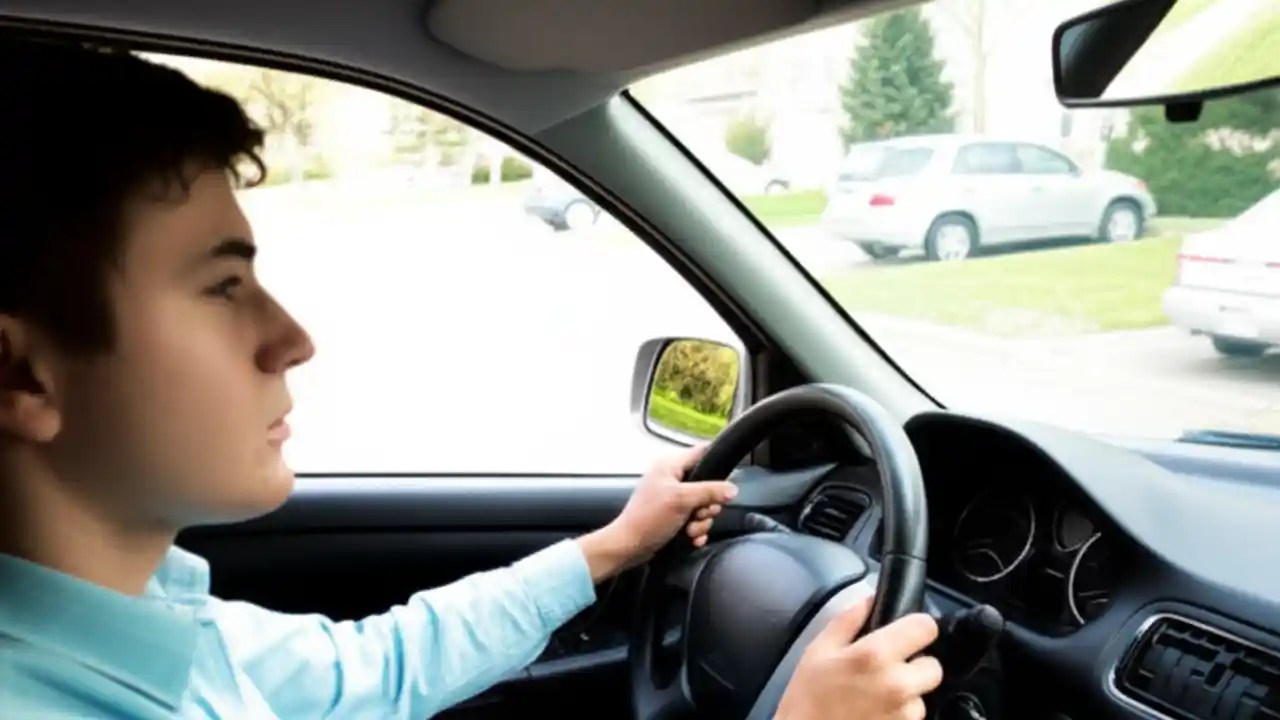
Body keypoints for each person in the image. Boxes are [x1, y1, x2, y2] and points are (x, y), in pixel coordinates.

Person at [0, 39, 943, 719]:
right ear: (22, 376)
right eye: (221, 286)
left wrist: (612, 547)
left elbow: (378, 668)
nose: (292, 338)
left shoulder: (153, 617)